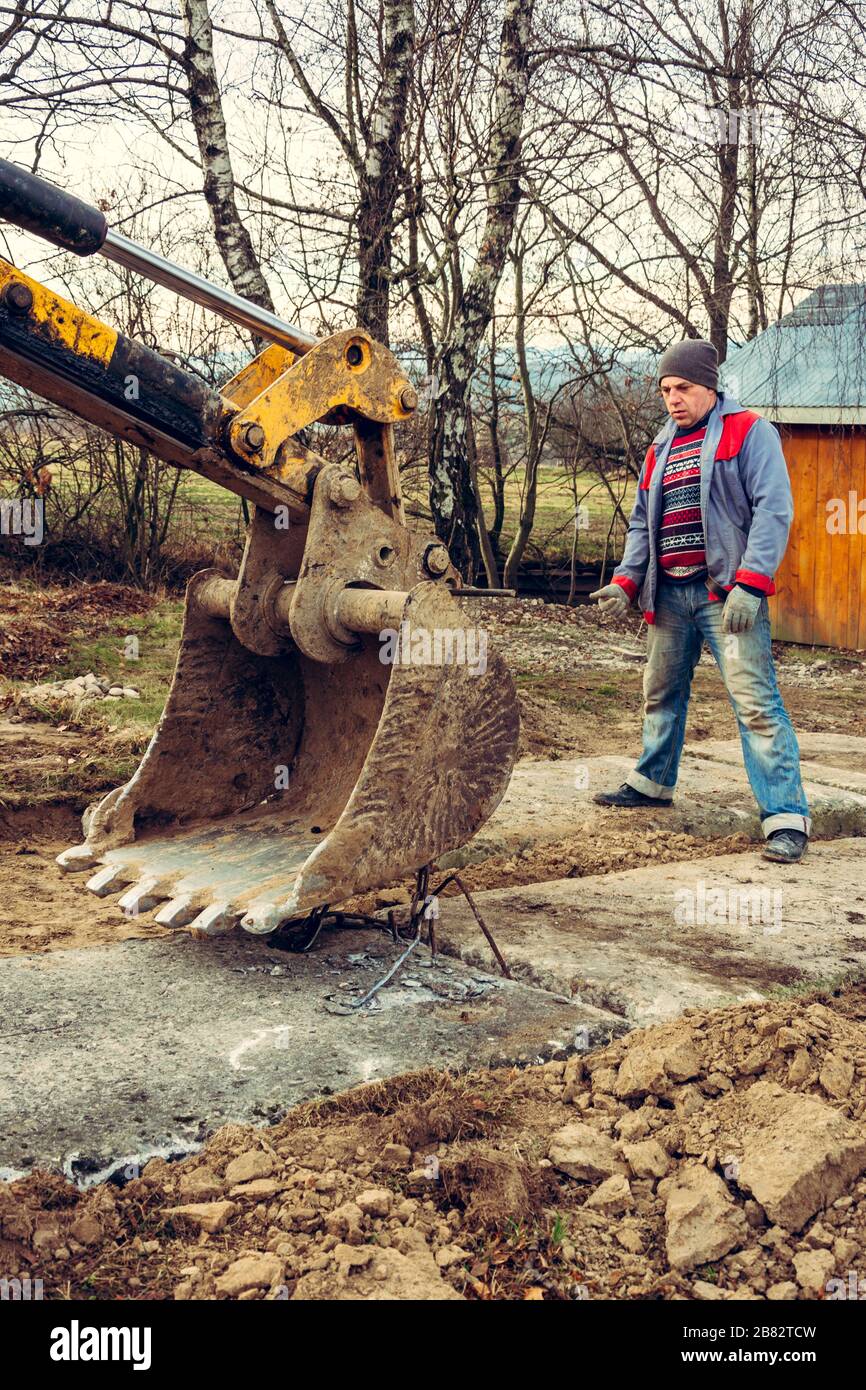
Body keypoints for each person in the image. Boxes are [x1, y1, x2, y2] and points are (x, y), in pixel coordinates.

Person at [589, 338, 810, 864]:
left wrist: (751, 584)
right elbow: (644, 522)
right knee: (659, 691)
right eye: (666, 389)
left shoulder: (750, 432)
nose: (673, 398)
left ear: (709, 386)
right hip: (669, 595)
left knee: (755, 704)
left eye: (683, 387)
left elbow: (773, 509)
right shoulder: (660, 448)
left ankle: (785, 818)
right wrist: (626, 581)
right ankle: (652, 783)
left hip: (724, 597)